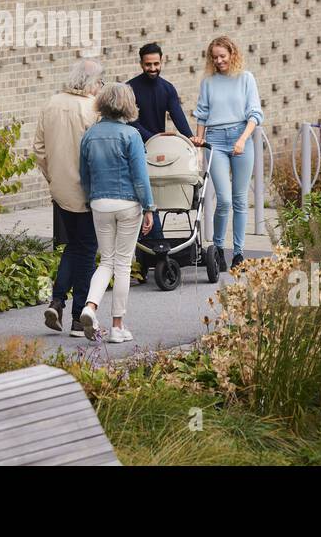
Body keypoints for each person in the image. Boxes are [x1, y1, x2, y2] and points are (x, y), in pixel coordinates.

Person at [78, 83, 156, 343]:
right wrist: (148, 207)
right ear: (127, 104)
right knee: (122, 264)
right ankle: (117, 327)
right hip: (127, 204)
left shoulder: (90, 135)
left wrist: (91, 199)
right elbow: (140, 177)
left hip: (99, 202)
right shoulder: (131, 135)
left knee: (105, 262)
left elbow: (84, 174)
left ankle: (90, 307)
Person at [33, 58, 105, 337]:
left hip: (60, 189)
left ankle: (57, 300)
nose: (100, 88)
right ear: (92, 83)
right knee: (87, 250)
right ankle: (77, 318)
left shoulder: (51, 103)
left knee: (73, 246)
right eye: (100, 82)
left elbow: (39, 148)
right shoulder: (92, 108)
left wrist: (52, 177)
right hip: (86, 191)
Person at [190, 36, 263, 271]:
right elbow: (201, 114)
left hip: (242, 138)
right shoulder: (208, 82)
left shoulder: (246, 78)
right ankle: (218, 250)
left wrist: (242, 139)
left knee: (241, 201)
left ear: (232, 53)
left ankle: (239, 253)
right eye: (215, 57)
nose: (219, 60)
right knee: (224, 199)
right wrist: (200, 146)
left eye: (222, 56)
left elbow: (255, 114)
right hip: (216, 141)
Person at [126, 42, 194, 244]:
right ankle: (156, 243)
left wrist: (190, 139)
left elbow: (178, 116)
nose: (153, 68)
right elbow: (131, 121)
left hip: (157, 150)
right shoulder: (130, 89)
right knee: (146, 194)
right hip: (136, 147)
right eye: (148, 64)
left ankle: (155, 244)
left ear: (162, 61)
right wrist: (152, 139)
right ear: (141, 64)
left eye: (156, 63)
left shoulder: (167, 89)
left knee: (154, 194)